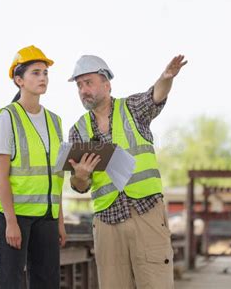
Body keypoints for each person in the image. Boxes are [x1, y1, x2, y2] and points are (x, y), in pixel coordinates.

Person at [67, 54, 187, 289]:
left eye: (88, 82)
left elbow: (155, 95)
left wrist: (166, 77)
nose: (83, 90)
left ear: (106, 84)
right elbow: (80, 186)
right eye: (79, 85)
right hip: (107, 222)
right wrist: (80, 177)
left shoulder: (132, 109)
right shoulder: (77, 131)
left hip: (146, 213)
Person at [0, 45, 66, 289]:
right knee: (9, 282)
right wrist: (10, 221)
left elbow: (56, 175)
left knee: (47, 283)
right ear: (19, 80)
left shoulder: (55, 121)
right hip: (15, 216)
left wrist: (60, 220)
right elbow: (1, 175)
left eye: (45, 73)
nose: (43, 77)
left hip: (47, 217)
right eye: (36, 72)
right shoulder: (7, 117)